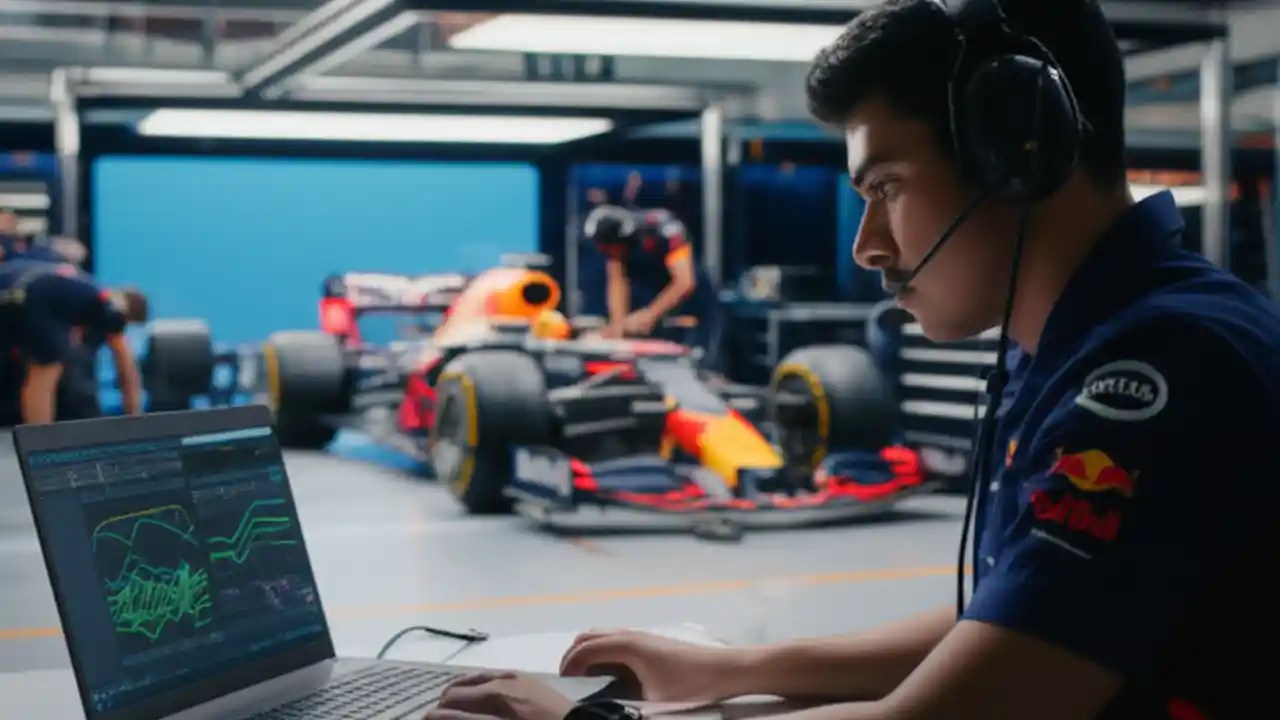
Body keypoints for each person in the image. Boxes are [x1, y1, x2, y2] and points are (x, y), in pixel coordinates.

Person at [424, 1, 1280, 719]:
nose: (869, 245)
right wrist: (738, 667)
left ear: (1018, 156)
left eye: (886, 189)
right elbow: (1019, 625)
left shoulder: (1160, 372)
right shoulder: (1078, 349)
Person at [0, 258, 148, 425]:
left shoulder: (83, 287)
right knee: (45, 371)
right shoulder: (112, 309)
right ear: (128, 316)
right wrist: (134, 418)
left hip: (10, 290)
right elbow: (126, 367)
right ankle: (40, 438)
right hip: (37, 296)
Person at [583, 204, 720, 363]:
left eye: (607, 247)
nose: (604, 251)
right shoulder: (613, 247)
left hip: (690, 298)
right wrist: (617, 328)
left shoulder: (664, 228)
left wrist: (650, 315)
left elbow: (684, 282)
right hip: (652, 291)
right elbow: (617, 282)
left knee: (697, 360)